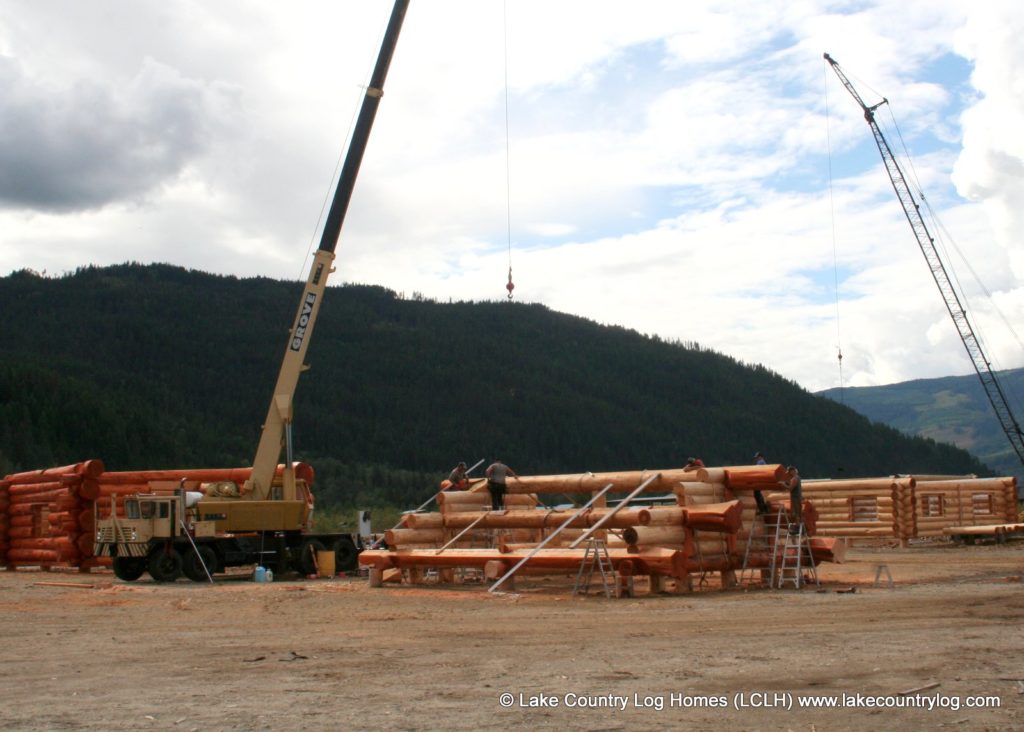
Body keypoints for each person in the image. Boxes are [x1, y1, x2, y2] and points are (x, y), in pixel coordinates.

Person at [783, 465, 803, 532]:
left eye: (789, 472)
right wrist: (787, 483)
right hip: (796, 497)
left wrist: (783, 485)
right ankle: (796, 526)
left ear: (792, 471)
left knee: (796, 513)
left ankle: (797, 527)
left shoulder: (795, 478)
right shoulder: (796, 478)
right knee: (796, 513)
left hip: (796, 498)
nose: (788, 473)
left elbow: (790, 488)